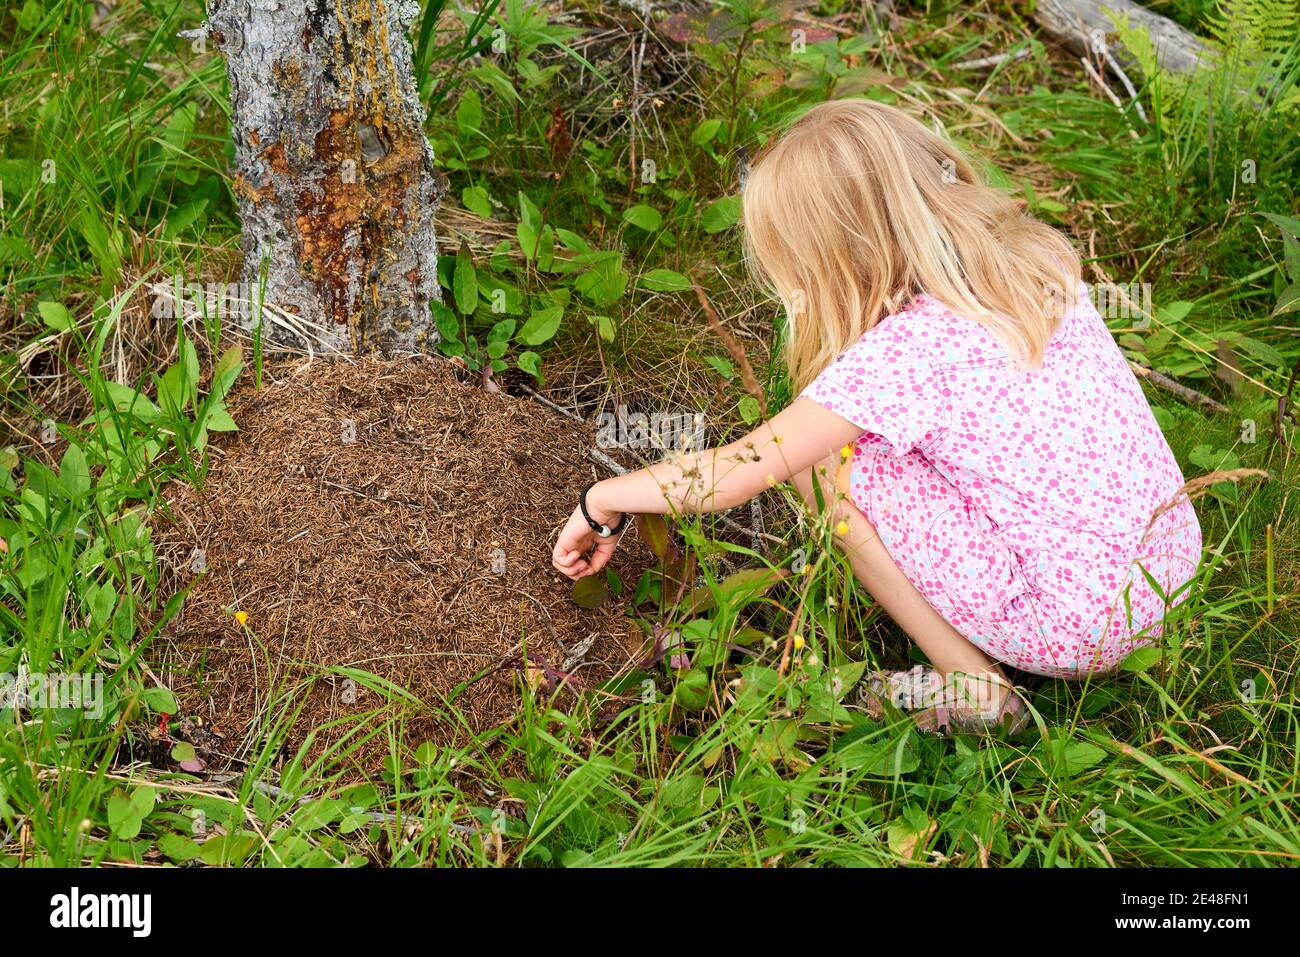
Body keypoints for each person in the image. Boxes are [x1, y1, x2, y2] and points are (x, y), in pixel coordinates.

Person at [551, 99, 1202, 734]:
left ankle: (978, 690)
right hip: (1166, 565)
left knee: (811, 463)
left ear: (832, 256)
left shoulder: (901, 355)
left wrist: (604, 495)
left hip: (1072, 626)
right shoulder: (1032, 260)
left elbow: (737, 471)